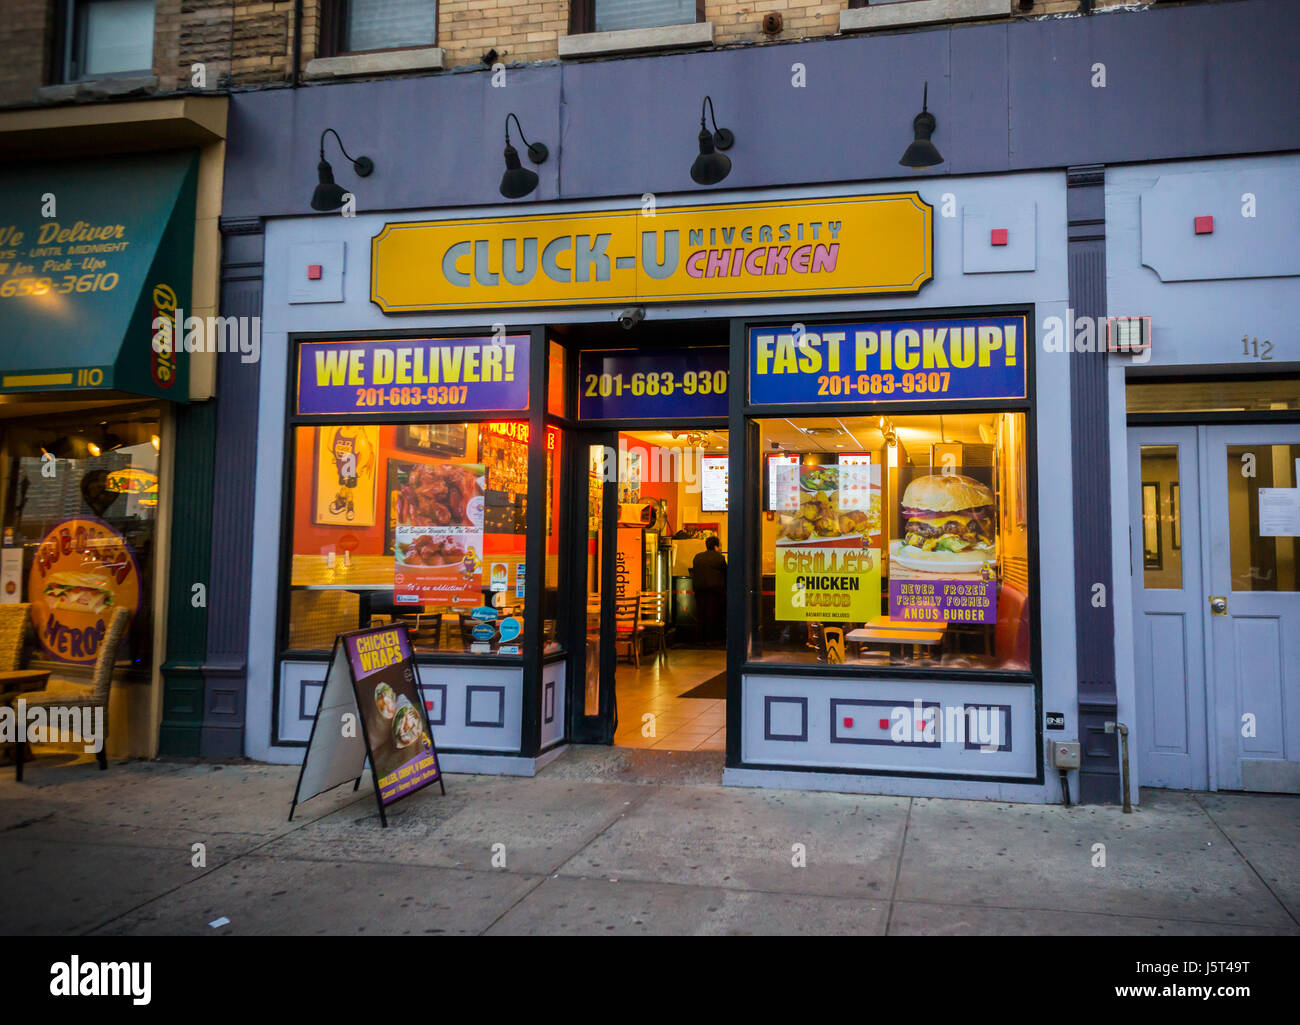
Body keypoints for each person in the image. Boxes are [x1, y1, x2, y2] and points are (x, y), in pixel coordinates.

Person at [691, 536, 727, 646]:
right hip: (716, 591)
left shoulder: (697, 557)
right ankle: (714, 640)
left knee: (702, 615)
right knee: (716, 615)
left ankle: (701, 639)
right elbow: (726, 573)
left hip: (699, 590)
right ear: (716, 546)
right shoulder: (720, 558)